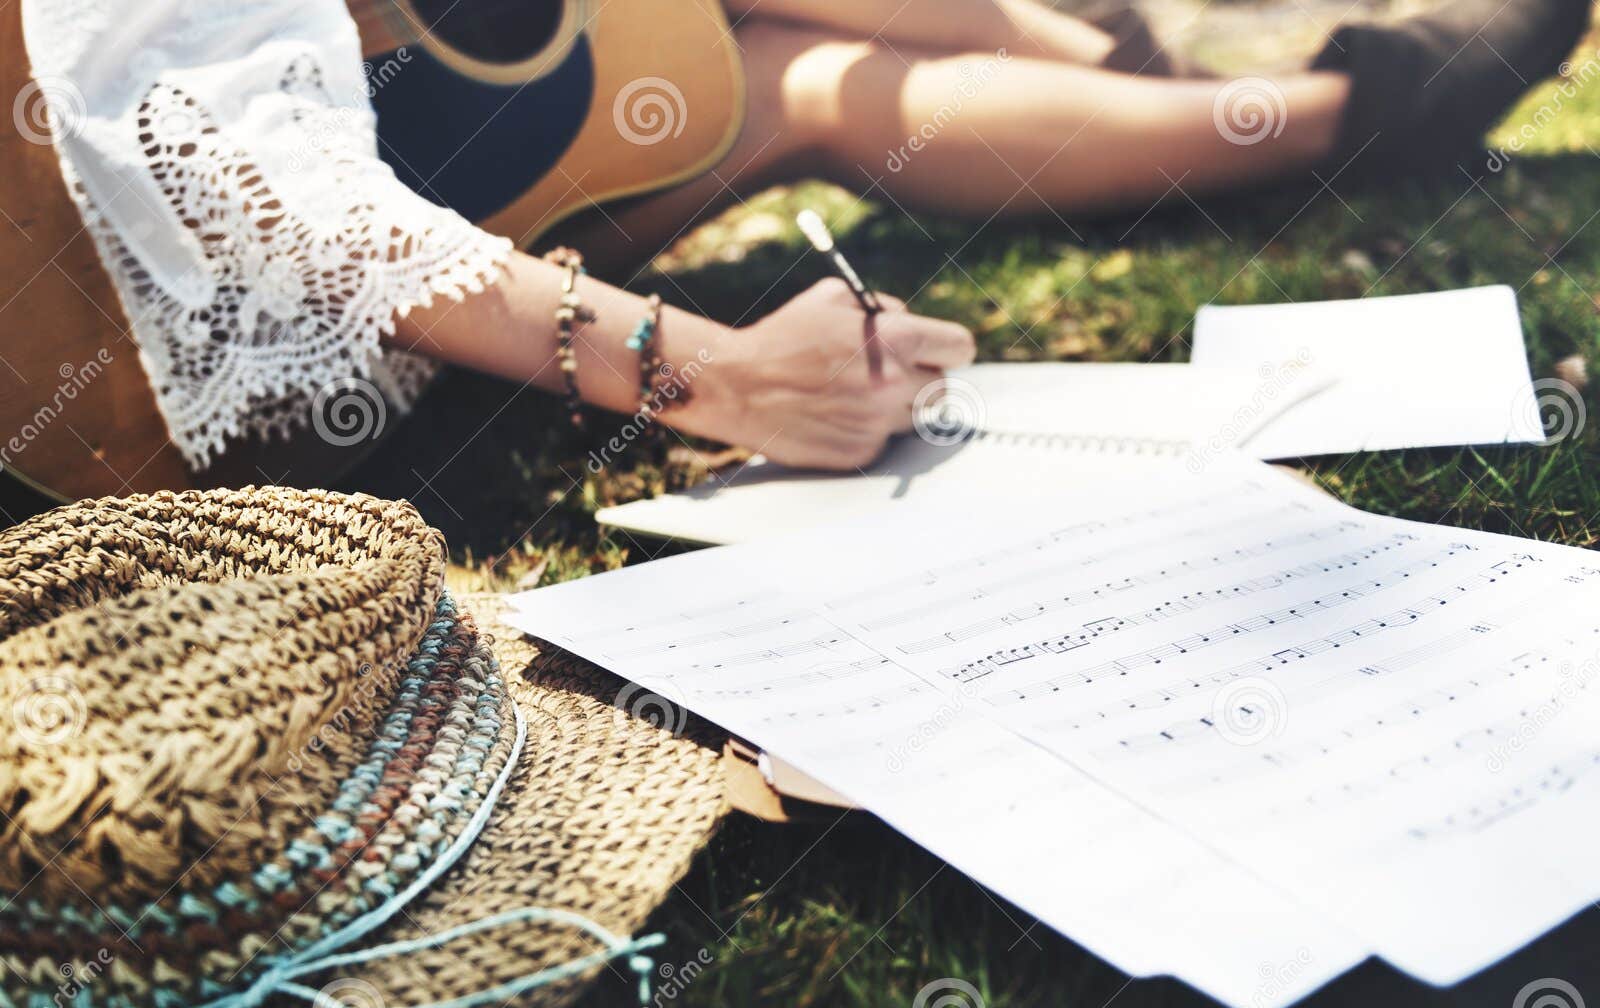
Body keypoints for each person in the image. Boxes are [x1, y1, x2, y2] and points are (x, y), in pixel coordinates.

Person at [18, 0, 1591, 477]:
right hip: (137, 322)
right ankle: (1241, 89)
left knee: (784, 80)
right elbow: (264, 194)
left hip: (416, 102)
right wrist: (711, 373)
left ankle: (1310, 112)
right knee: (784, 83)